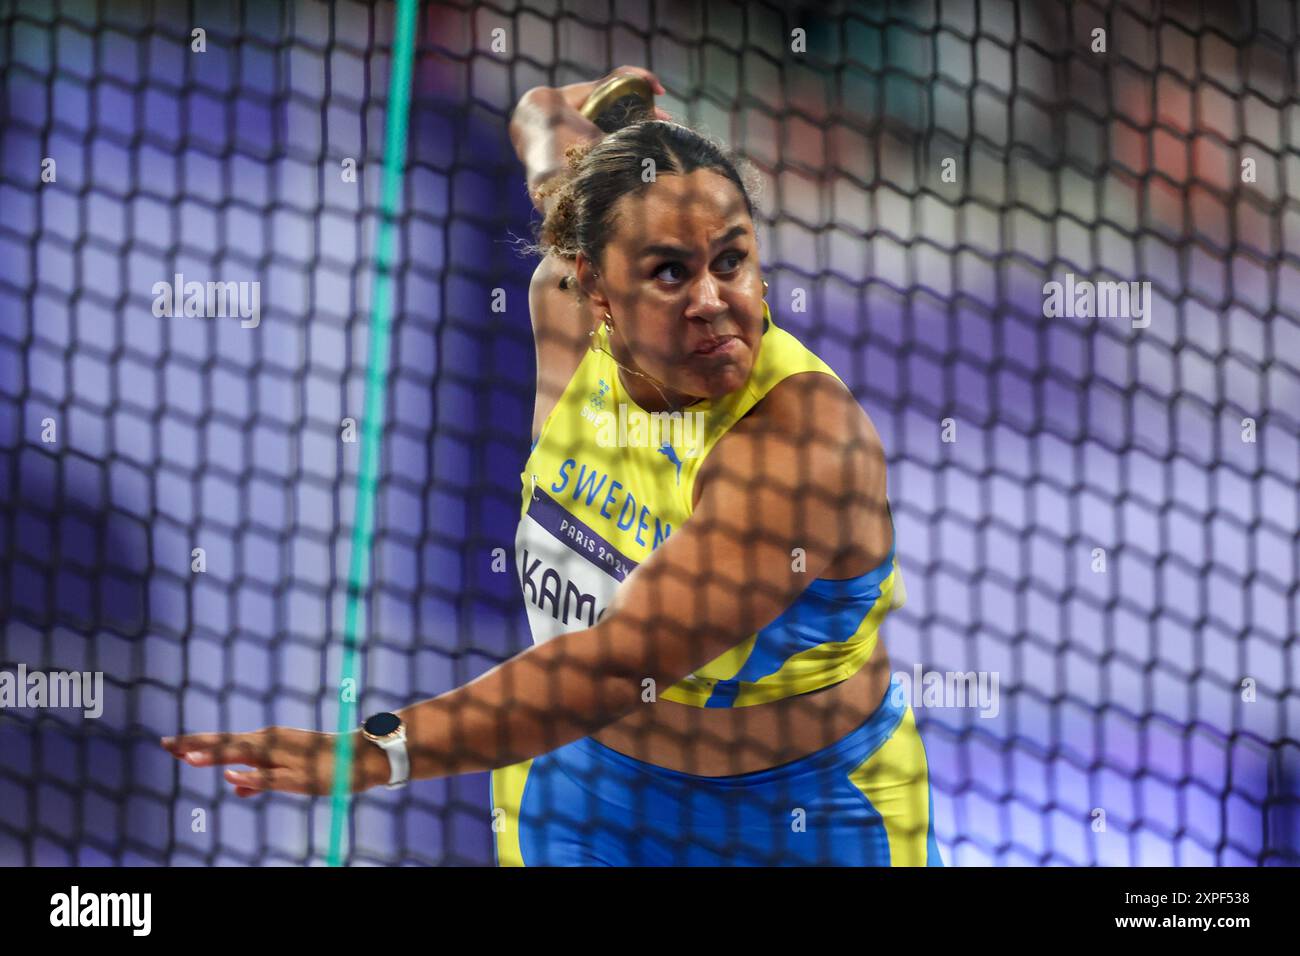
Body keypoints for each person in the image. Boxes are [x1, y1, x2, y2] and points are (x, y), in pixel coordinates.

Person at [162, 67, 944, 867]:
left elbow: (617, 664)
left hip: (808, 819)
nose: (711, 299)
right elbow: (552, 157)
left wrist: (376, 754)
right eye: (669, 272)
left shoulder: (801, 440)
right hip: (580, 803)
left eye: (732, 260)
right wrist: (542, 116)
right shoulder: (562, 307)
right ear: (597, 290)